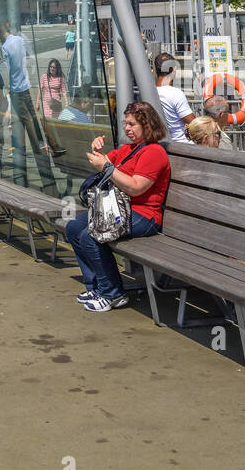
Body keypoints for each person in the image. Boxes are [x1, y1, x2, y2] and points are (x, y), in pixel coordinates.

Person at [64, 100, 170, 312]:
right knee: (74, 227)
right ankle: (96, 286)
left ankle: (113, 294)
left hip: (144, 215)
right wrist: (97, 149)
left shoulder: (153, 152)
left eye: (132, 124)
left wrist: (106, 167)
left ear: (147, 125)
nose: (127, 128)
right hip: (120, 209)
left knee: (91, 235)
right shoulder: (128, 149)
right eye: (126, 123)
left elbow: (137, 188)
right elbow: (103, 161)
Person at [2, 25, 57, 195]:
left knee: (33, 131)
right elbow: (30, 61)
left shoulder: (8, 44)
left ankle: (38, 178)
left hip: (20, 92)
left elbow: (9, 69)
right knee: (37, 131)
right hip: (27, 91)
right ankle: (47, 180)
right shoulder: (20, 41)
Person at [153, 52, 195, 141]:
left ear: (155, 70)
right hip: (181, 144)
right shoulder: (176, 94)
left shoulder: (148, 92)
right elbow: (193, 122)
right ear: (174, 70)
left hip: (158, 142)